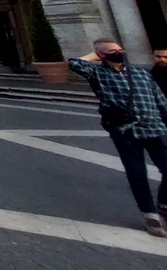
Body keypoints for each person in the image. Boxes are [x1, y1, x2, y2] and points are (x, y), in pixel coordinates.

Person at [71, 39, 167, 237]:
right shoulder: (99, 74)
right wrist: (94, 55)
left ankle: (164, 203)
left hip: (154, 127)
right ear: (102, 55)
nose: (120, 53)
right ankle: (150, 215)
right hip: (124, 131)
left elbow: (161, 101)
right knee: (137, 173)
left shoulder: (141, 73)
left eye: (120, 49)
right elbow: (75, 63)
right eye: (113, 51)